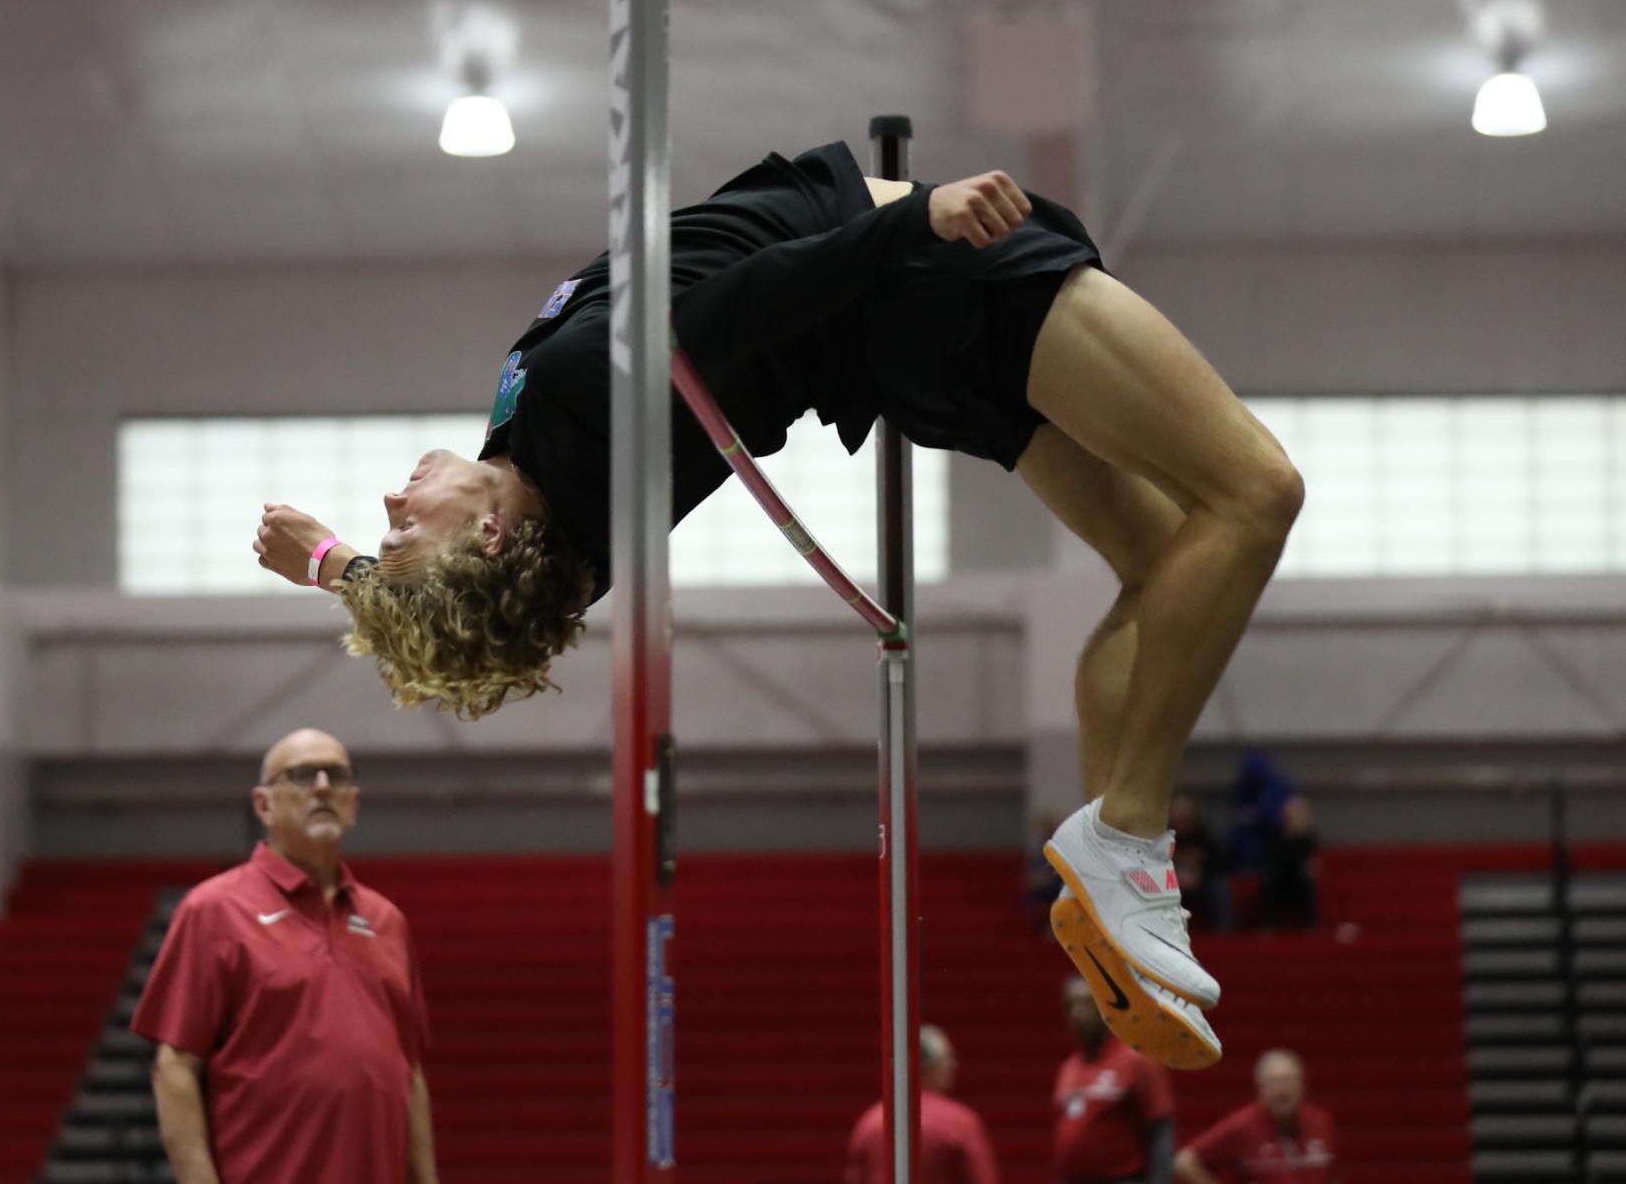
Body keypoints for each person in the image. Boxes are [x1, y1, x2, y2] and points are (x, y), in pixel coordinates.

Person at [254, 140, 1303, 1066]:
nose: (394, 498)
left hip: (900, 352)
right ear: (484, 536)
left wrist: (339, 565)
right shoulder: (581, 396)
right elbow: (742, 301)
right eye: (403, 523)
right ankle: (1126, 836)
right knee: (1254, 494)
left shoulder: (569, 526)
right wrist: (913, 222)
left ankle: (1109, 885)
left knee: (1164, 563)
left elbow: (473, 629)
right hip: (928, 281)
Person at [131, 728, 437, 1184]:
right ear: (263, 805)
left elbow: (407, 1072)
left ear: (353, 802)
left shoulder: (387, 920)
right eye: (300, 776)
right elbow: (175, 1067)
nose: (321, 787)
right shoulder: (214, 910)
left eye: (336, 776)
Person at [1053, 978, 1174, 1184]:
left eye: (1086, 1003)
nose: (1078, 1012)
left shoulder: (1135, 1060)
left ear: (1105, 1005)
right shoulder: (1069, 1067)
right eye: (1071, 1005)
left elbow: (1160, 1130)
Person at [845, 1024, 1000, 1184]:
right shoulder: (961, 1123)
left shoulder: (869, 1122)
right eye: (949, 1060)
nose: (954, 1066)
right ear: (933, 1066)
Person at [1174, 1050, 1341, 1184]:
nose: (1282, 1091)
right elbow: (1184, 1162)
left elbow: (1332, 1175)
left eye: (1289, 1081)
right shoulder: (1243, 1125)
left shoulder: (1320, 1122)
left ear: (1303, 1085)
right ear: (1260, 1088)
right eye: (1274, 1082)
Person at [1168, 794, 1230, 934]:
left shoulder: (1203, 835)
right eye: (1179, 818)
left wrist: (1200, 877)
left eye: (1186, 818)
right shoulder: (1164, 836)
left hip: (1200, 884)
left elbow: (1217, 864)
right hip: (1171, 885)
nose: (1183, 821)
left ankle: (1224, 937)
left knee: (1220, 889)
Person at [1255, 796, 1319, 932]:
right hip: (1280, 877)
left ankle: (1311, 923)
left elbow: (1306, 859)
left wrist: (1297, 836)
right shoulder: (1276, 834)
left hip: (1297, 880)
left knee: (1305, 878)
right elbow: (1277, 857)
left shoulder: (1306, 838)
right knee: (1271, 878)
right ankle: (1268, 922)